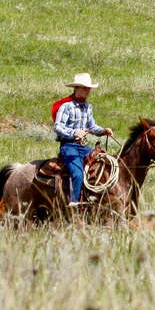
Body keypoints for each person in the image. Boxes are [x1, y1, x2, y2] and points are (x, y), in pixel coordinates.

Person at [53, 73, 112, 208]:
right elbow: (58, 126)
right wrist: (74, 133)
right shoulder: (66, 106)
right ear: (76, 88)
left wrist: (103, 131)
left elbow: (91, 127)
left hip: (84, 146)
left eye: (88, 88)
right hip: (69, 146)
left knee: (102, 163)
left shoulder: (88, 107)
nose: (87, 91)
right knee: (78, 173)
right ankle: (74, 202)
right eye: (84, 88)